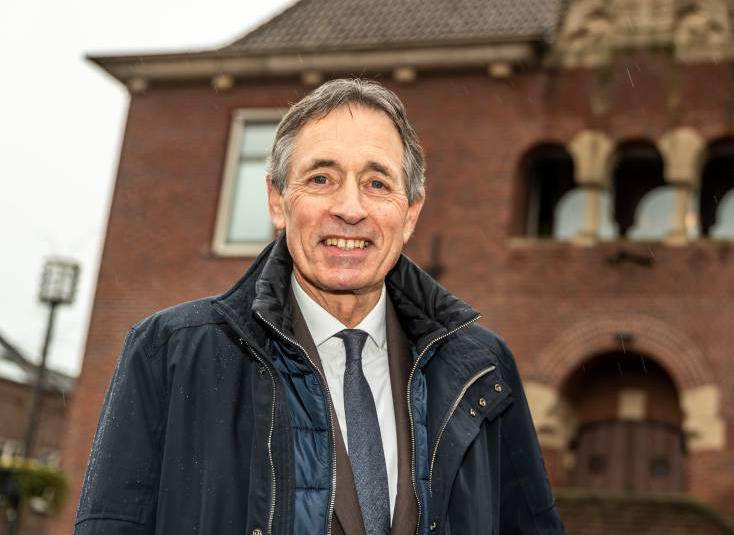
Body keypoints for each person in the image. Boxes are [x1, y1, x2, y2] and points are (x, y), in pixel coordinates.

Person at [76, 78, 564, 535]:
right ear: (276, 200)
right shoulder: (171, 352)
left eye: (377, 184)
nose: (350, 209)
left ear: (410, 213)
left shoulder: (481, 368)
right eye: (322, 179)